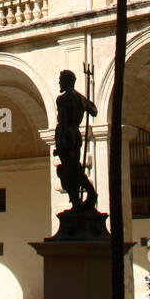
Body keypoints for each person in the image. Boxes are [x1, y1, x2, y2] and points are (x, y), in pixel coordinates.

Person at [54, 69, 98, 209]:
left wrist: (60, 144)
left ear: (67, 81)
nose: (59, 82)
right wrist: (85, 101)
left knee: (68, 171)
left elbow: (63, 120)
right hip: (76, 134)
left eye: (61, 80)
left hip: (66, 134)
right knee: (74, 168)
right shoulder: (81, 98)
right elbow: (94, 111)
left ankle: (80, 199)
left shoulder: (62, 99)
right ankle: (82, 199)